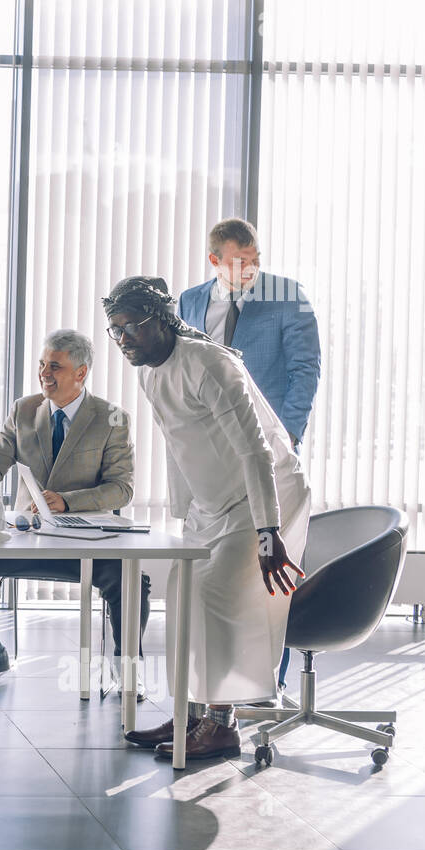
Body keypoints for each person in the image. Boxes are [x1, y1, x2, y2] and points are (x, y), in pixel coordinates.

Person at [104, 276, 309, 760]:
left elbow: (254, 450)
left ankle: (222, 725)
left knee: (215, 595)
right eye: (116, 330)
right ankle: (190, 715)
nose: (124, 338)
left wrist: (267, 532)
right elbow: (180, 446)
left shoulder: (211, 364)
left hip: (264, 496)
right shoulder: (149, 370)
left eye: (132, 326)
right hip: (211, 505)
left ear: (163, 320)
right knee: (182, 590)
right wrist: (186, 517)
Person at [0, 329, 149, 688]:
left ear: (81, 373)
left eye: (55, 366)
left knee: (132, 582)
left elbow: (121, 489)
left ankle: (127, 667)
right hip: (24, 537)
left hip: (85, 545)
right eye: (41, 364)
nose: (44, 373)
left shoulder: (112, 418)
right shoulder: (24, 409)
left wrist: (68, 501)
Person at [179, 218, 321, 693]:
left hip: (268, 456)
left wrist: (290, 436)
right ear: (214, 261)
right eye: (238, 263)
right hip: (216, 460)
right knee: (214, 576)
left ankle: (265, 690)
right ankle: (212, 694)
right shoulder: (190, 301)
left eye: (255, 259)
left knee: (266, 575)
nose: (250, 269)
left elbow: (305, 370)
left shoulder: (288, 295)